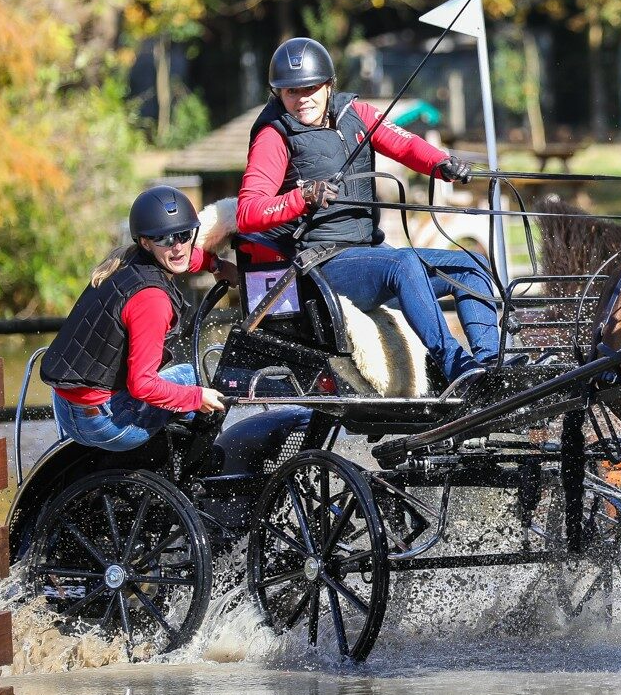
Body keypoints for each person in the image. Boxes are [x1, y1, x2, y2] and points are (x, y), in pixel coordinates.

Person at [236, 37, 499, 386]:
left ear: (329, 84)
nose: (301, 100)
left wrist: (442, 163)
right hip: (323, 265)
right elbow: (247, 212)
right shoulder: (274, 136)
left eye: (310, 88)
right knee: (403, 264)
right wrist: (302, 197)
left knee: (470, 267)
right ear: (278, 94)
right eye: (290, 93)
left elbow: (404, 143)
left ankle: (490, 367)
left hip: (370, 256)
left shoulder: (356, 114)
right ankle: (457, 367)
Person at [40, 187, 303, 450]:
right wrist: (197, 397)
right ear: (145, 242)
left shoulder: (127, 261)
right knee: (193, 377)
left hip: (70, 410)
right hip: (105, 424)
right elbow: (142, 384)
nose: (177, 247)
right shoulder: (152, 300)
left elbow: (184, 257)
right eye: (164, 239)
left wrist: (217, 266)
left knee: (183, 386)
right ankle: (195, 466)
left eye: (184, 235)